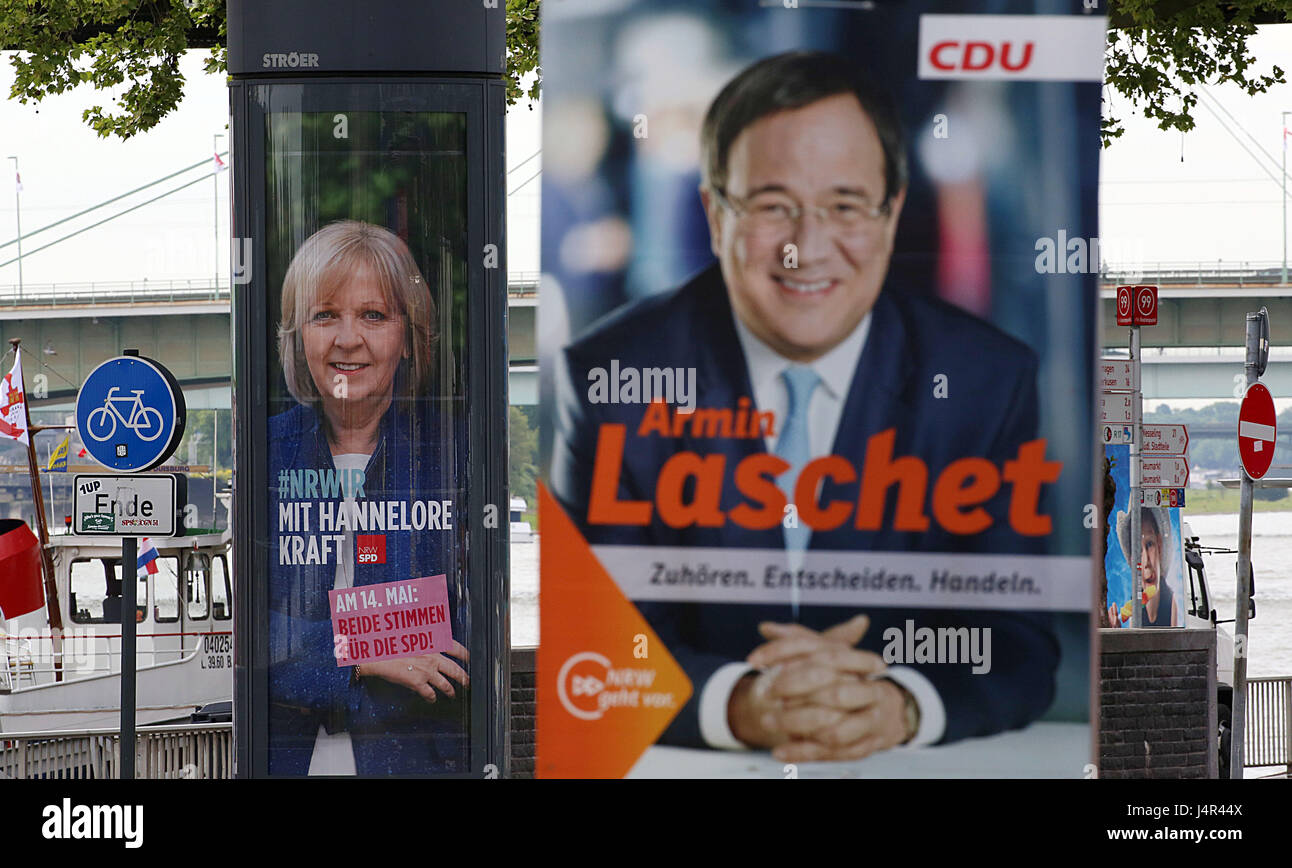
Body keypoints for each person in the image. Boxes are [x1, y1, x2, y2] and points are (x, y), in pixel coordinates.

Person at [549, 52, 1060, 763]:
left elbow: (1019, 644)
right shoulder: (611, 379)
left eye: (845, 205)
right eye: (771, 205)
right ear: (714, 214)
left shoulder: (986, 380)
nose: (807, 249)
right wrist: (742, 703)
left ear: (892, 213)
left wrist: (898, 704)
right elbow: (595, 640)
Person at [268, 220, 469, 776]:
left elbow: (465, 634)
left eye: (374, 315)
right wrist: (366, 652)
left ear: (408, 338)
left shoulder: (454, 456)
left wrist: (317, 649)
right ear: (298, 336)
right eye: (325, 314)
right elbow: (254, 641)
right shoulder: (268, 454)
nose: (348, 338)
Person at [1111, 506, 1179, 628]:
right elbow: (1132, 644)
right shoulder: (1135, 605)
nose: (1146, 561)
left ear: (1159, 545)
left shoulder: (1172, 600)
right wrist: (1117, 629)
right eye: (1138, 550)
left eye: (1149, 544)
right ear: (1132, 560)